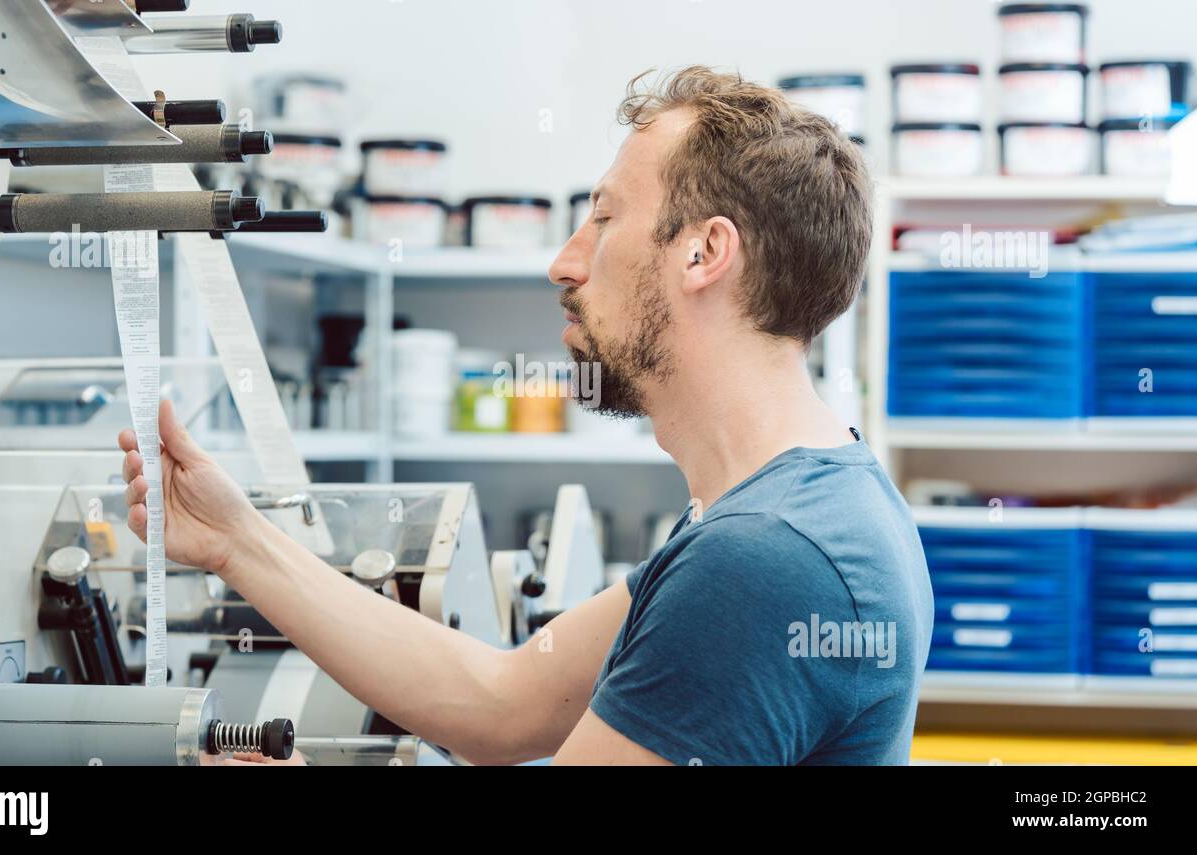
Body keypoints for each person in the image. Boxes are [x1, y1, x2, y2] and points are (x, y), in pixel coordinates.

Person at [120, 66, 933, 765]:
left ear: (703, 253)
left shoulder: (764, 561)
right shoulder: (794, 506)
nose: (565, 260)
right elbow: (500, 701)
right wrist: (238, 540)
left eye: (605, 218)